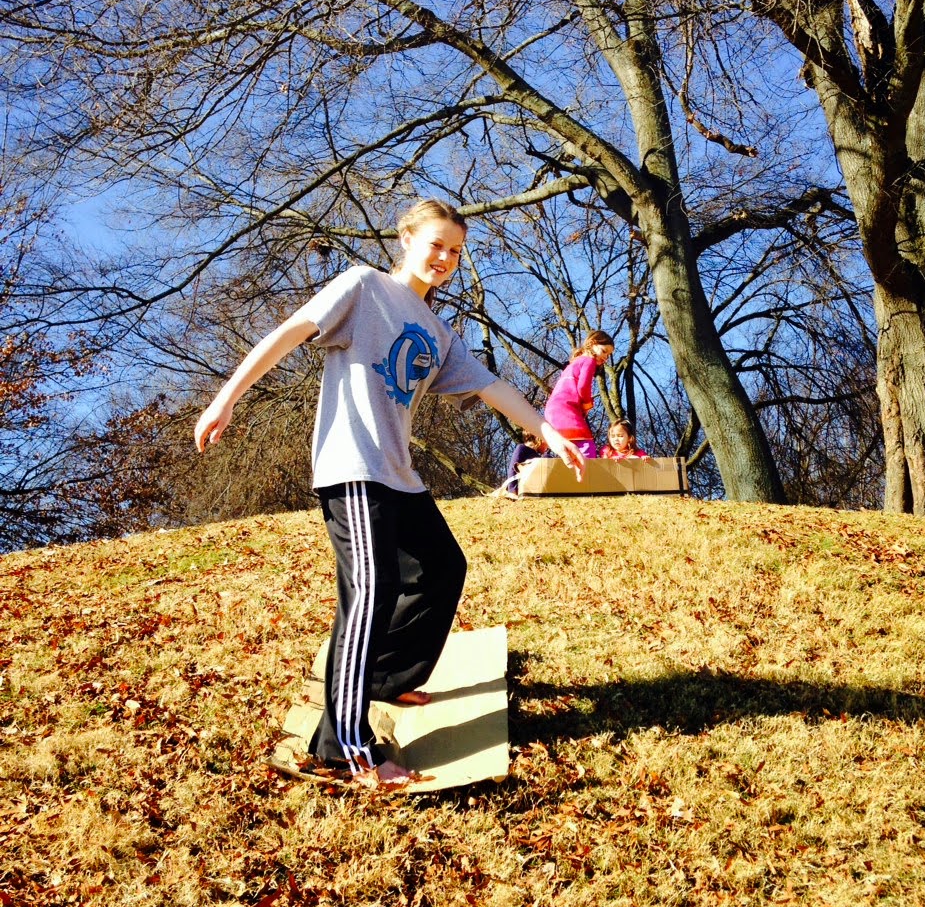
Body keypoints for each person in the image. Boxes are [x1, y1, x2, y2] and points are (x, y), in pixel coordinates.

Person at [194, 198, 585, 787]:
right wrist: (226, 398)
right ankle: (342, 744)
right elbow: (289, 332)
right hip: (353, 468)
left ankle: (383, 680)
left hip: (399, 476)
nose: (445, 258)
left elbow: (492, 387)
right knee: (371, 589)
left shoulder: (437, 330)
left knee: (443, 567)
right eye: (436, 245)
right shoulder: (362, 287)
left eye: (455, 251)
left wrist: (548, 431)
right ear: (406, 238)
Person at [542, 330, 614, 460]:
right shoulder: (589, 361)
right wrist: (587, 404)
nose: (606, 357)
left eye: (608, 355)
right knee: (586, 446)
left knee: (570, 446)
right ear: (592, 344)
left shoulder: (574, 363)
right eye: (604, 351)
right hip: (566, 408)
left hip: (552, 410)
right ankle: (587, 475)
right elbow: (583, 386)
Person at [501, 431, 547, 496]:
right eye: (547, 440)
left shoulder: (541, 456)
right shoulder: (522, 449)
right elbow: (512, 470)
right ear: (538, 438)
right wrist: (512, 490)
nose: (548, 445)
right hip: (522, 490)